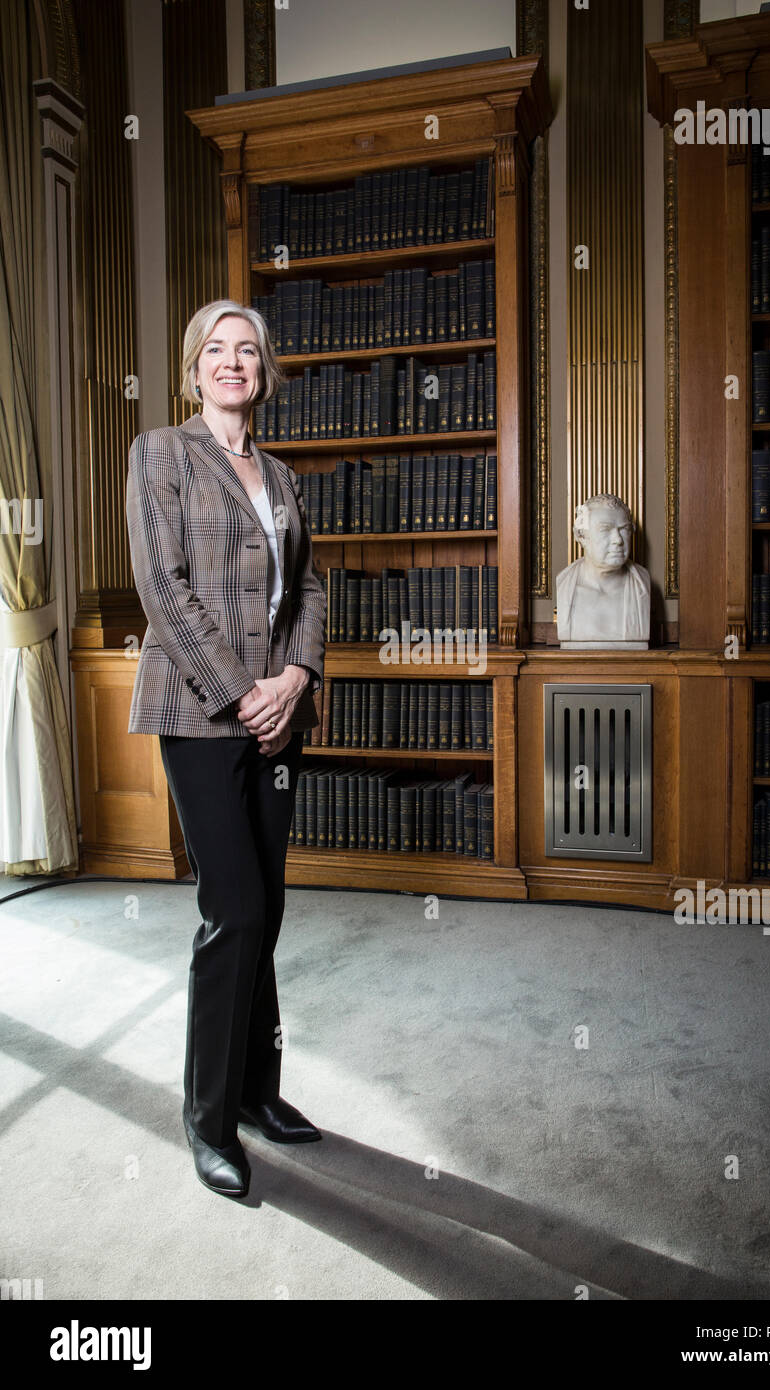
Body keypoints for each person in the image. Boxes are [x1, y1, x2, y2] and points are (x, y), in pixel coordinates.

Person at [125, 299, 327, 1199]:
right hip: (199, 714)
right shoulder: (161, 454)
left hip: (275, 716)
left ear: (266, 371)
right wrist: (243, 691)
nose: (233, 363)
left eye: (248, 351)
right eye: (217, 350)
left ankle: (256, 1093)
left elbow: (310, 584)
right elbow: (163, 588)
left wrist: (296, 680)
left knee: (268, 911)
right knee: (233, 910)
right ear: (193, 366)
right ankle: (207, 1116)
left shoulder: (280, 475)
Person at [555, 493, 650, 647]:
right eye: (605, 530)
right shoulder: (564, 584)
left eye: (624, 529)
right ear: (582, 536)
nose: (618, 540)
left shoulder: (642, 584)